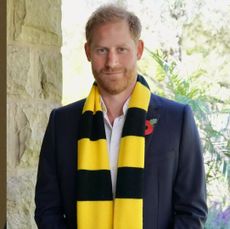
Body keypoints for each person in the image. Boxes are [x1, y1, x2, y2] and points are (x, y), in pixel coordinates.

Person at [35, 4, 208, 229]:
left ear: (138, 49)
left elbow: (191, 210)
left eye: (121, 49)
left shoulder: (177, 120)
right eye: (102, 50)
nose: (112, 62)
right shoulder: (62, 123)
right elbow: (48, 209)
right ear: (88, 52)